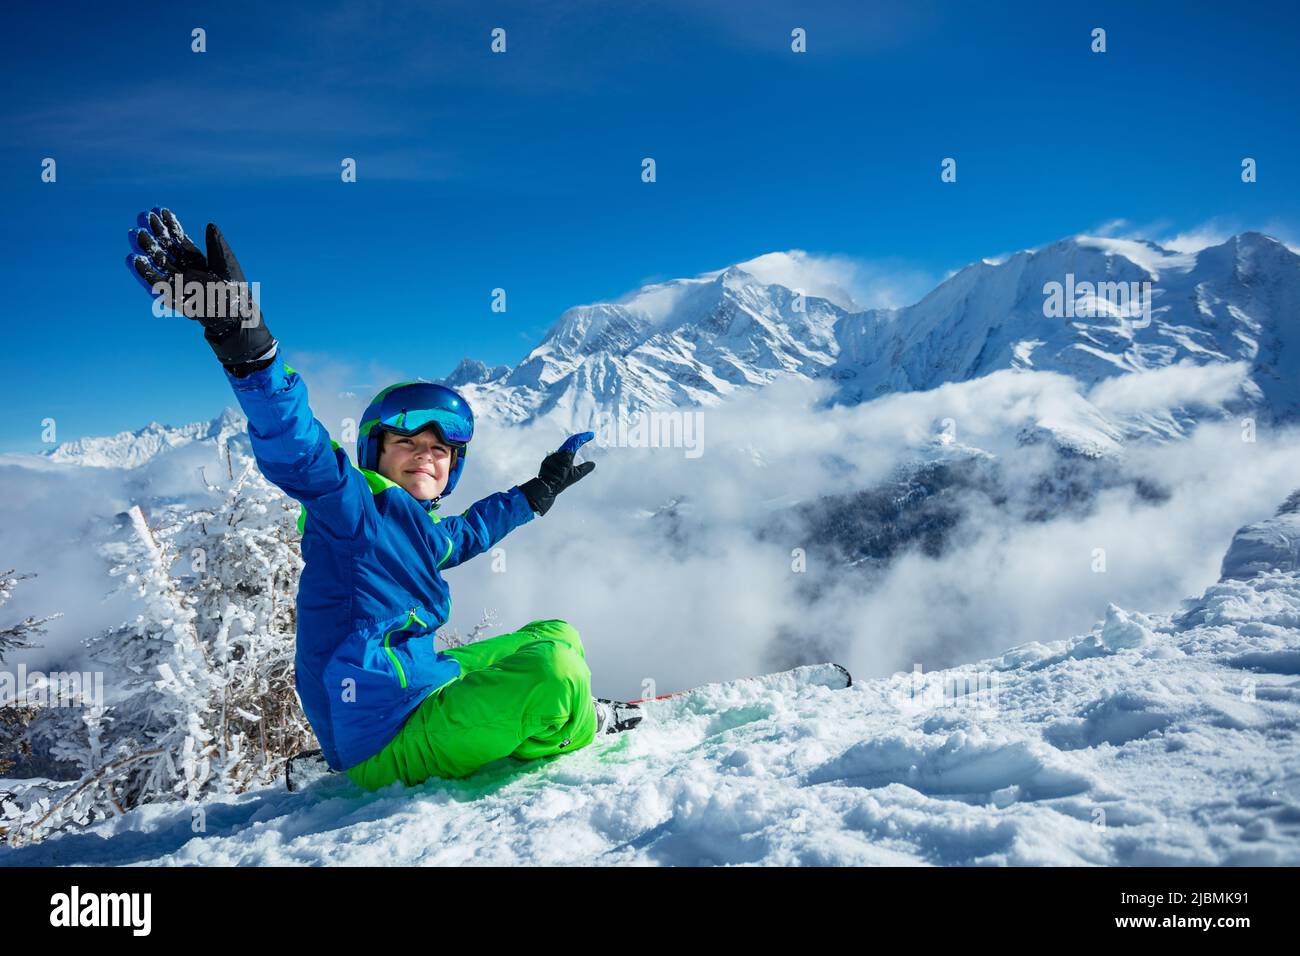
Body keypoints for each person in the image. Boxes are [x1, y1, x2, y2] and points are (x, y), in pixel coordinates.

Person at [125, 207, 637, 792]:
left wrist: (537, 492)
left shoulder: (419, 527)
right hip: (382, 735)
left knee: (556, 633)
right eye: (406, 442)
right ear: (377, 454)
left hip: (419, 686)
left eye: (440, 449)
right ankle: (577, 723)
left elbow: (471, 532)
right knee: (557, 675)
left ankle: (528, 709)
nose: (426, 454)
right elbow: (297, 448)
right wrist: (248, 350)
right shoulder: (349, 509)